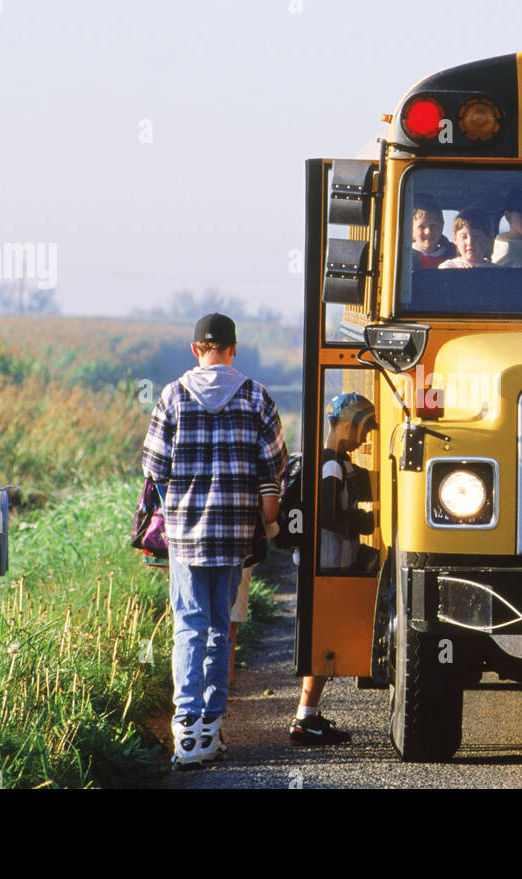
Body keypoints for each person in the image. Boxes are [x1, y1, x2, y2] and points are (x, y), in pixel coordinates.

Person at [142, 312, 288, 768]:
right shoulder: (256, 397)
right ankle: (210, 728)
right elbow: (275, 466)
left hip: (186, 534)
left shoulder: (172, 395)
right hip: (235, 531)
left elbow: (154, 467)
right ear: (234, 347)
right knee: (220, 628)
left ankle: (185, 733)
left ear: (194, 350)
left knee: (188, 626)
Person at [289, 392, 378, 745]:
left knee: (324, 643)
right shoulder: (331, 467)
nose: (365, 437)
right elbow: (327, 515)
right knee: (323, 644)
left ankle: (307, 716)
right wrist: (367, 521)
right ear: (344, 426)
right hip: (329, 565)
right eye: (363, 428)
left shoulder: (337, 463)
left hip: (328, 563)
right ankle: (304, 719)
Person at [410, 195, 456, 269]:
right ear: (411, 230)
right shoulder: (405, 257)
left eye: (433, 226)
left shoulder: (453, 257)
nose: (428, 232)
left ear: (441, 227)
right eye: (421, 227)